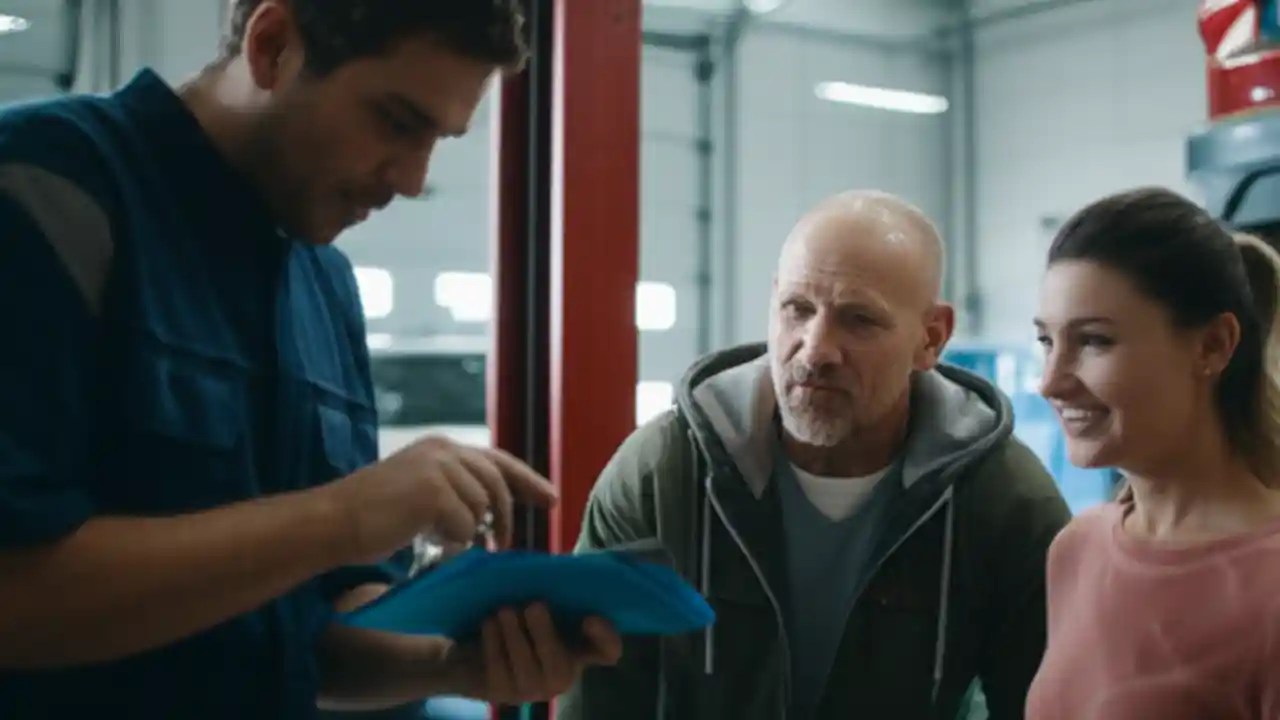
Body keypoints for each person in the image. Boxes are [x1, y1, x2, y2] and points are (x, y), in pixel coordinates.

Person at [0, 1, 621, 718]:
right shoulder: (44, 192)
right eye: (396, 120)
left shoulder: (325, 286)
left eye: (439, 140)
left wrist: (451, 663)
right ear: (271, 46)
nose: (415, 180)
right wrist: (344, 517)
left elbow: (304, 642)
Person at [558, 190, 1072, 720]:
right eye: (798, 310)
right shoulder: (663, 476)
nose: (816, 348)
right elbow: (597, 702)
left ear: (931, 338)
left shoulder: (1005, 503)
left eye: (859, 320)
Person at [1026, 188, 1280, 719]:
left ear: (1212, 346)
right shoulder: (1076, 550)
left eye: (1094, 341)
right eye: (1047, 342)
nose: (1050, 382)